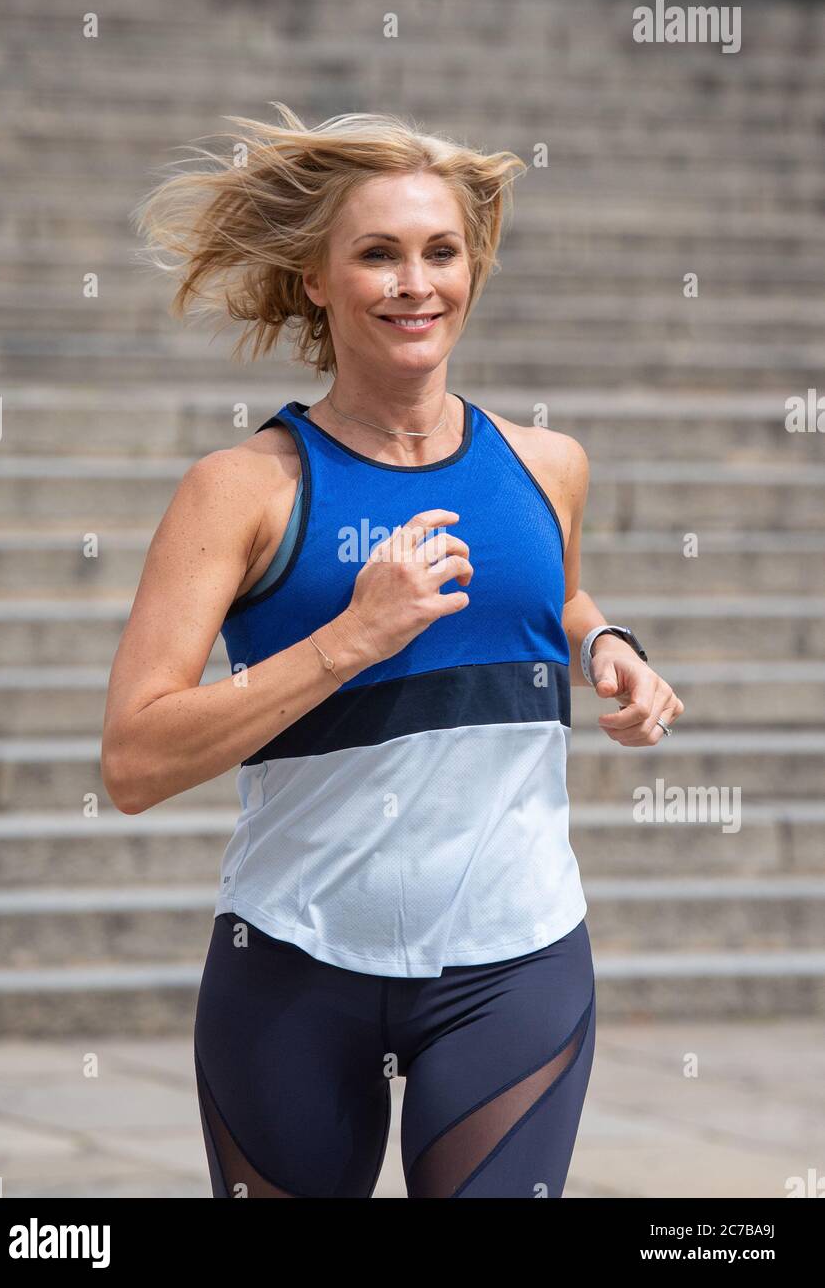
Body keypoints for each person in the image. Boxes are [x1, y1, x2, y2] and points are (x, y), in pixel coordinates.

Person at [102, 104, 684, 1198]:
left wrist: (604, 638)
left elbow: (539, 587)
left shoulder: (547, 464)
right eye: (376, 254)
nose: (415, 283)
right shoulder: (242, 490)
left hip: (514, 956)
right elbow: (133, 761)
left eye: (439, 251)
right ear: (317, 280)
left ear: (473, 267)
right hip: (290, 961)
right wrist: (346, 640)